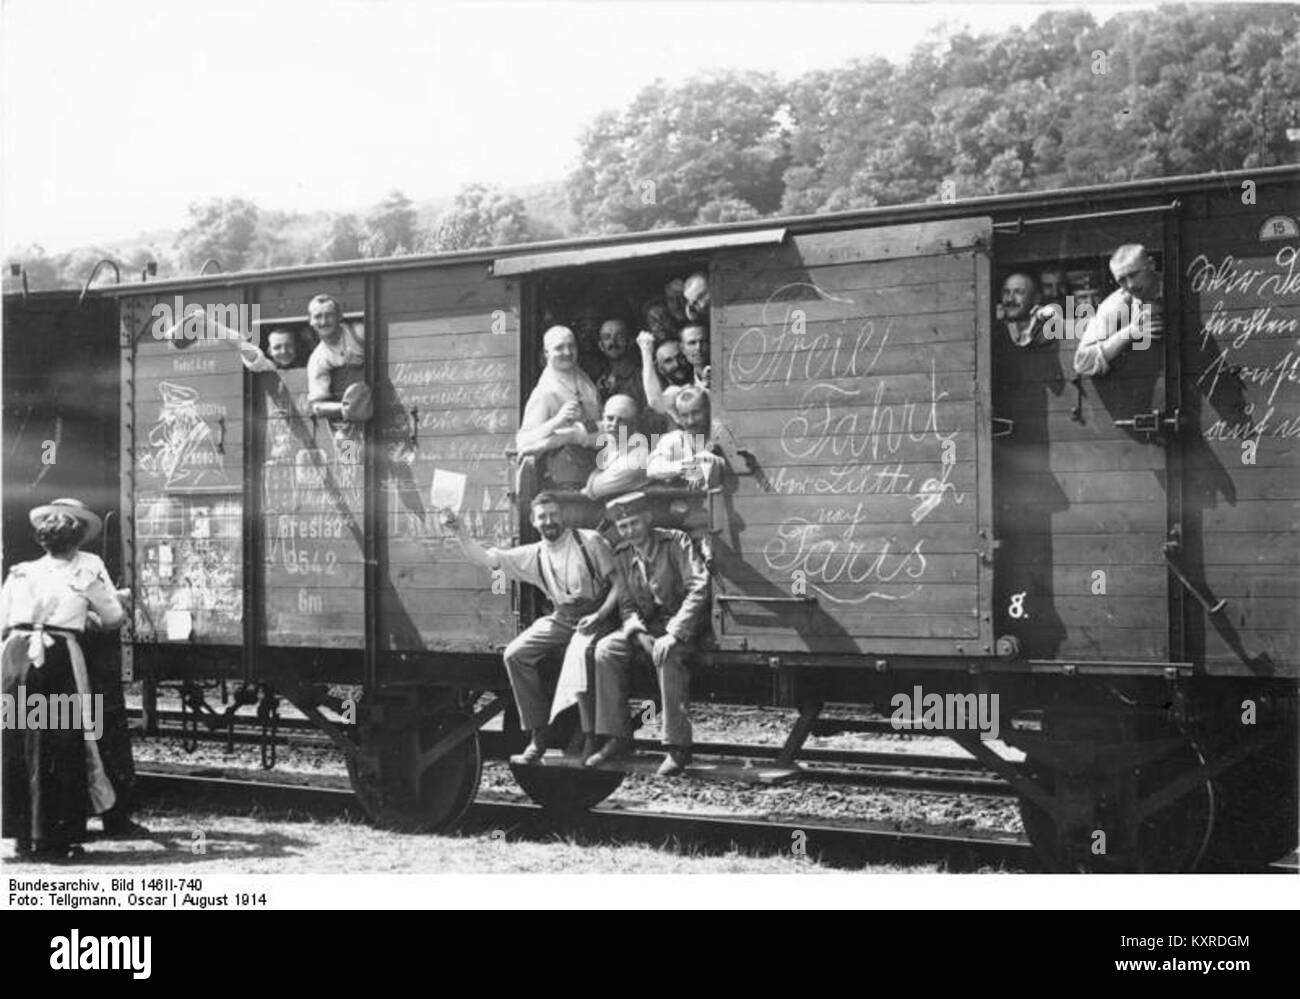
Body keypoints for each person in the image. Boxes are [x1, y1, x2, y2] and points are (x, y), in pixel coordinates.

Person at [441, 493, 619, 764]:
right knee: (515, 654)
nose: (549, 521)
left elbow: (619, 584)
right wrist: (461, 534)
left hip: (597, 614)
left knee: (580, 657)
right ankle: (539, 732)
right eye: (542, 517)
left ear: (563, 516)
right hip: (562, 617)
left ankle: (590, 736)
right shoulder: (535, 554)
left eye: (553, 515)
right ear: (533, 522)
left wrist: (600, 615)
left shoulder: (590, 541)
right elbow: (486, 559)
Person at [1, 499, 128, 860]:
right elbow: (114, 617)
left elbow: (2, 620)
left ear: (43, 540)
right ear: (78, 540)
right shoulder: (85, 574)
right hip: (55, 661)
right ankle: (54, 838)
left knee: (18, 742)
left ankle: (22, 835)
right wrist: (88, 616)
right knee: (58, 745)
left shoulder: (21, 571)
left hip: (14, 660)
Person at [587, 492, 709, 776]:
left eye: (634, 523)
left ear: (648, 519)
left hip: (685, 625)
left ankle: (677, 747)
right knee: (606, 650)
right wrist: (636, 632)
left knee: (666, 655)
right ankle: (617, 737)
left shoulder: (675, 541)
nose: (629, 531)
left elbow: (699, 586)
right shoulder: (622, 554)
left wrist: (674, 634)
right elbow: (627, 606)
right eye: (623, 526)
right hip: (649, 628)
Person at [516, 325, 603, 505]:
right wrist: (557, 421)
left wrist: (578, 430)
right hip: (562, 476)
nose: (567, 352)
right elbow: (523, 441)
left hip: (594, 464)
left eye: (572, 346)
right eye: (559, 348)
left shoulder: (583, 379)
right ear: (547, 354)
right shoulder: (545, 392)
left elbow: (597, 423)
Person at [1072, 244, 1162, 378]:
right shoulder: (1115, 305)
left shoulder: (1182, 284)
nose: (1130, 285)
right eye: (1122, 280)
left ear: (1151, 264)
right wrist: (1130, 332)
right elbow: (1082, 363)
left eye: (1134, 275)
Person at [305, 294, 370, 422]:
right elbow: (317, 406)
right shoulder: (317, 359)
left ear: (339, 317)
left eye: (329, 315)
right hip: (352, 424)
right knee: (348, 443)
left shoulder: (359, 333)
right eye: (318, 316)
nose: (324, 322)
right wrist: (346, 408)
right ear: (311, 321)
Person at [647, 386, 723, 490]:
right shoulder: (676, 438)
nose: (690, 421)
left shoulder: (720, 436)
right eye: (684, 415)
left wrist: (701, 467)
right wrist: (688, 465)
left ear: (707, 411)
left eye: (696, 413)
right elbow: (652, 468)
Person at [584, 394, 650, 501]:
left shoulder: (638, 458)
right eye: (610, 418)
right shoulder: (612, 440)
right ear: (603, 418)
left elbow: (595, 489)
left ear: (634, 424)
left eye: (622, 421)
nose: (614, 425)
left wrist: (594, 475)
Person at [637, 333, 696, 419]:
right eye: (668, 361)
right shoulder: (671, 392)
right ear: (660, 369)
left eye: (681, 357)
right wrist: (646, 353)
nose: (677, 364)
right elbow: (655, 402)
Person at [593, 318, 644, 408]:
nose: (613, 342)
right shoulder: (599, 376)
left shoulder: (641, 376)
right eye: (607, 337)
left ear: (630, 341)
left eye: (619, 337)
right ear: (601, 345)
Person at [680, 323, 710, 389]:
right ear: (682, 349)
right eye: (692, 343)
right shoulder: (685, 386)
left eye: (703, 341)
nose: (698, 348)